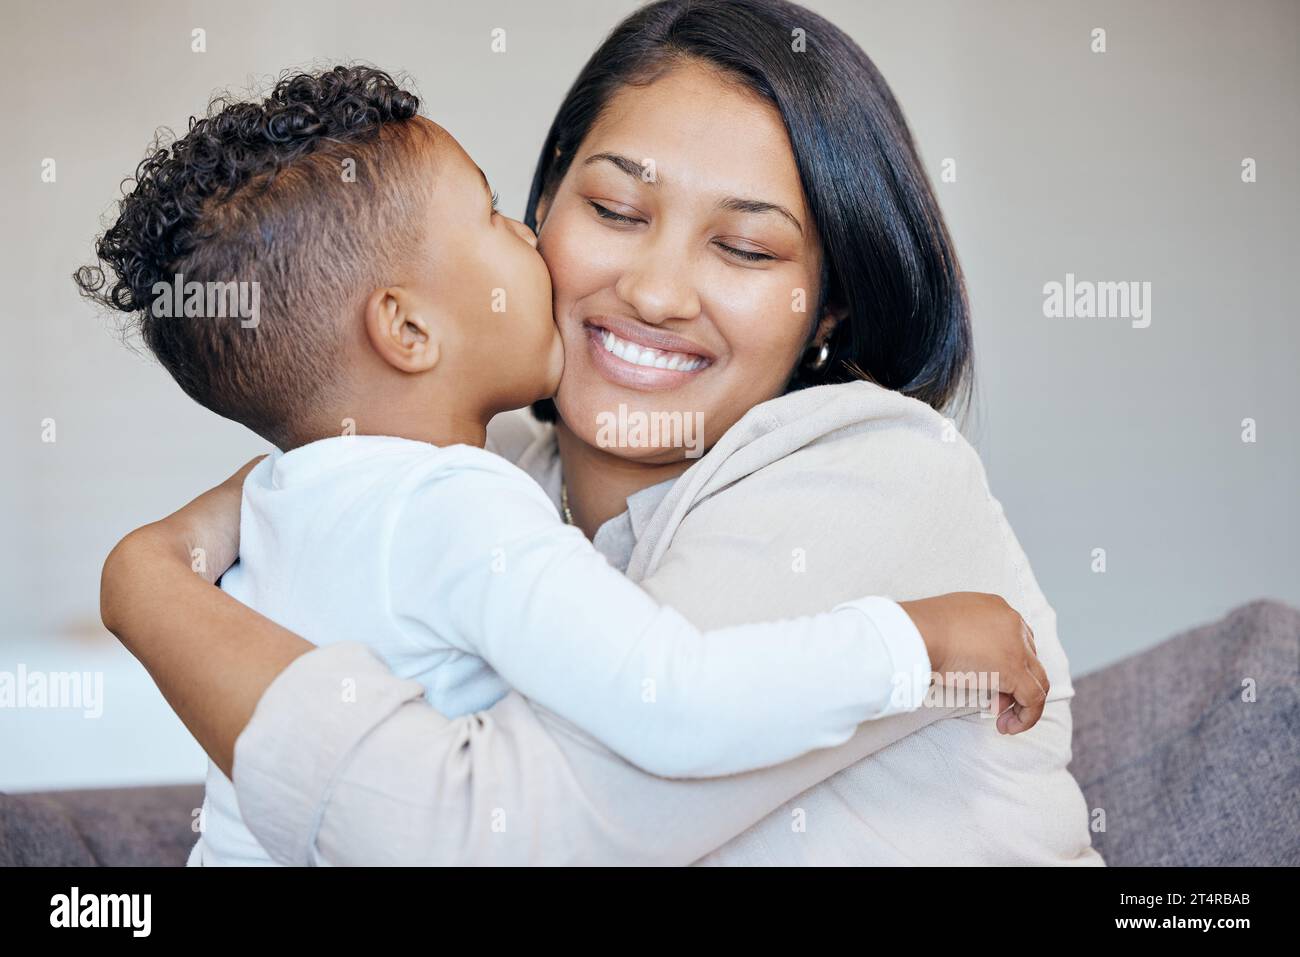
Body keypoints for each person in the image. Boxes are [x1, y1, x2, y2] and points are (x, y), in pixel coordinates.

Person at [99, 0, 1104, 865]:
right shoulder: (483, 485)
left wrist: (149, 587)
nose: (656, 291)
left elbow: (484, 841)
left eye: (746, 247)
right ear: (547, 211)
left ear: (828, 309)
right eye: (617, 208)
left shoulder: (877, 470)